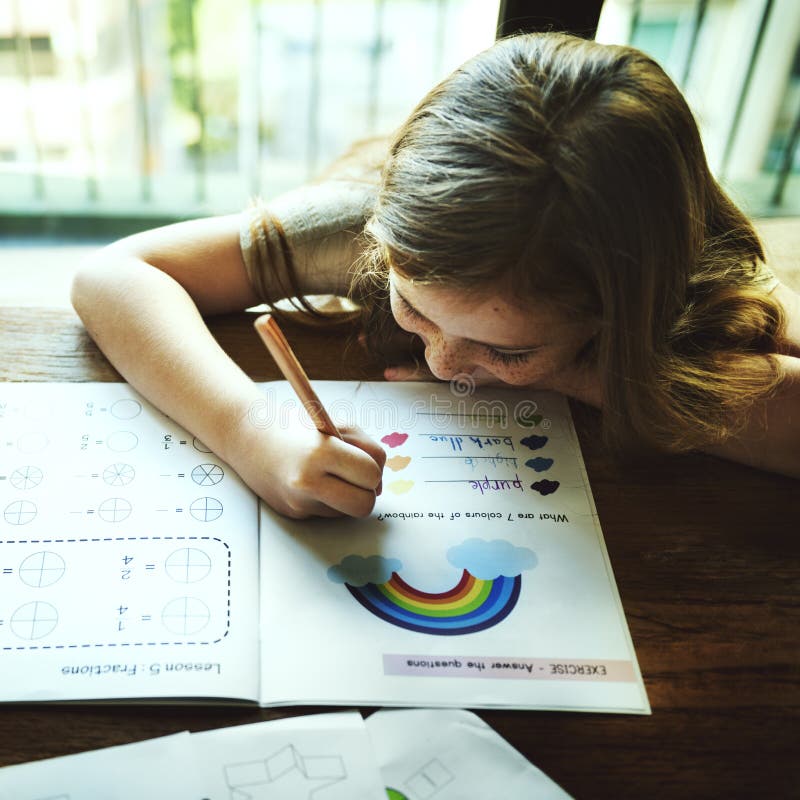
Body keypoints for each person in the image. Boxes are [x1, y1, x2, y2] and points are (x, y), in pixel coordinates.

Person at [71, 32, 800, 520]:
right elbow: (113, 274)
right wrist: (247, 431)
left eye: (509, 349)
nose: (442, 361)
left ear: (628, 307)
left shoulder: (702, 280)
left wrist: (579, 376)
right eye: (414, 308)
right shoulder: (370, 226)